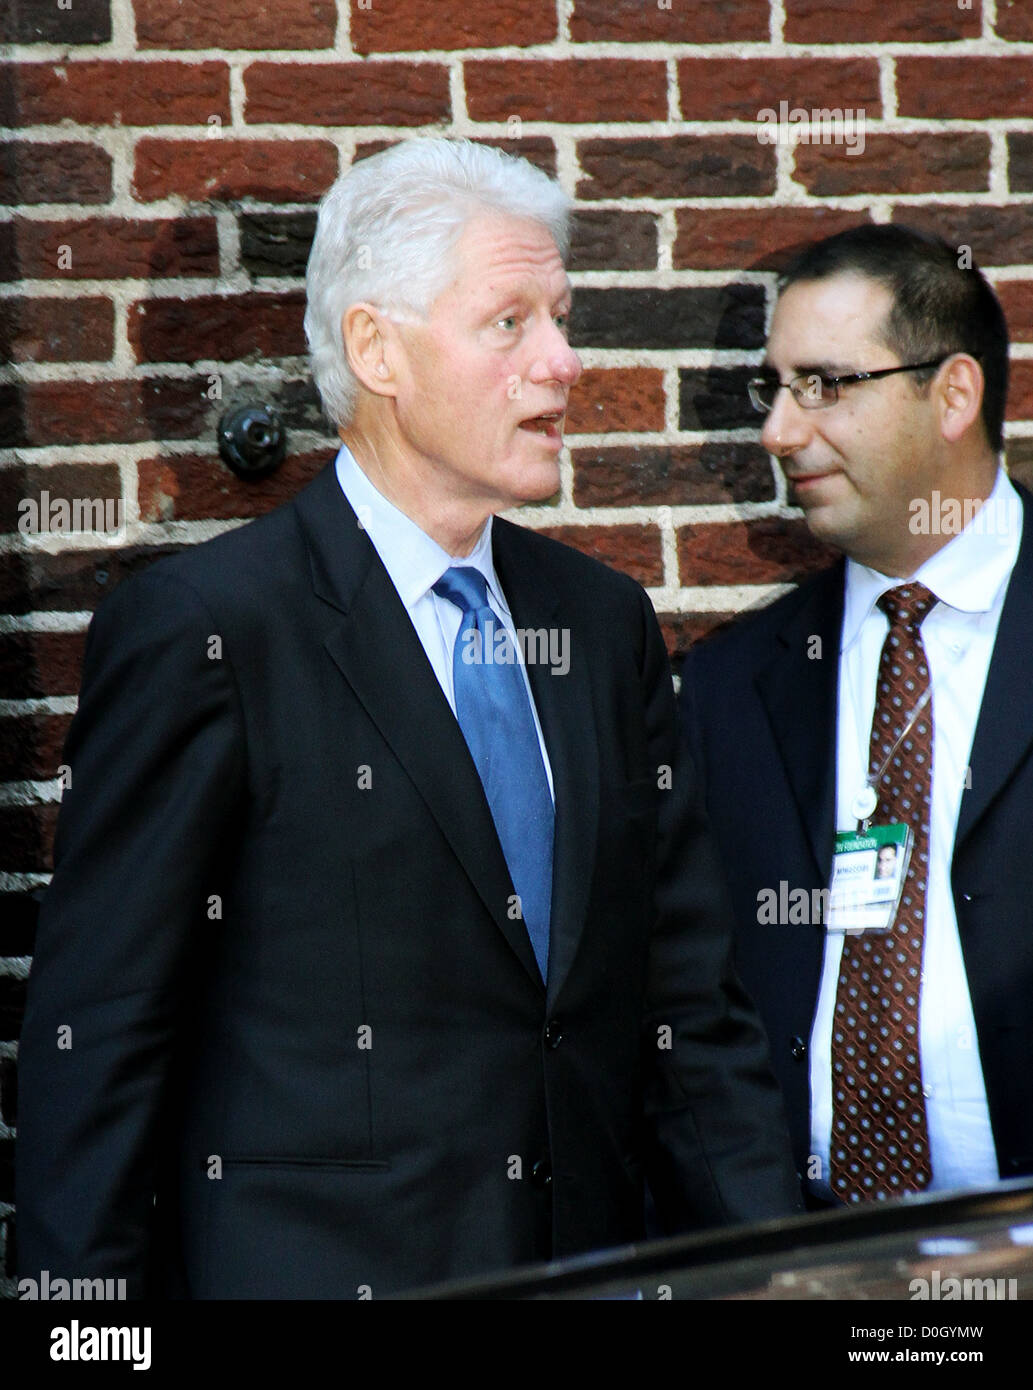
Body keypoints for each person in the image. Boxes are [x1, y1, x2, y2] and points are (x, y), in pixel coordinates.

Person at [16, 138, 801, 1299]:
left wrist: (773, 1278)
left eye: (561, 317)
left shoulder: (600, 624)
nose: (564, 360)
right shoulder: (209, 629)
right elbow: (102, 1039)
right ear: (375, 348)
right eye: (509, 323)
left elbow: (686, 1008)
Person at [680, 223, 1033, 1208]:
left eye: (825, 385)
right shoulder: (731, 689)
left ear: (952, 394)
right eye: (776, 389)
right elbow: (699, 1017)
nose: (779, 433)